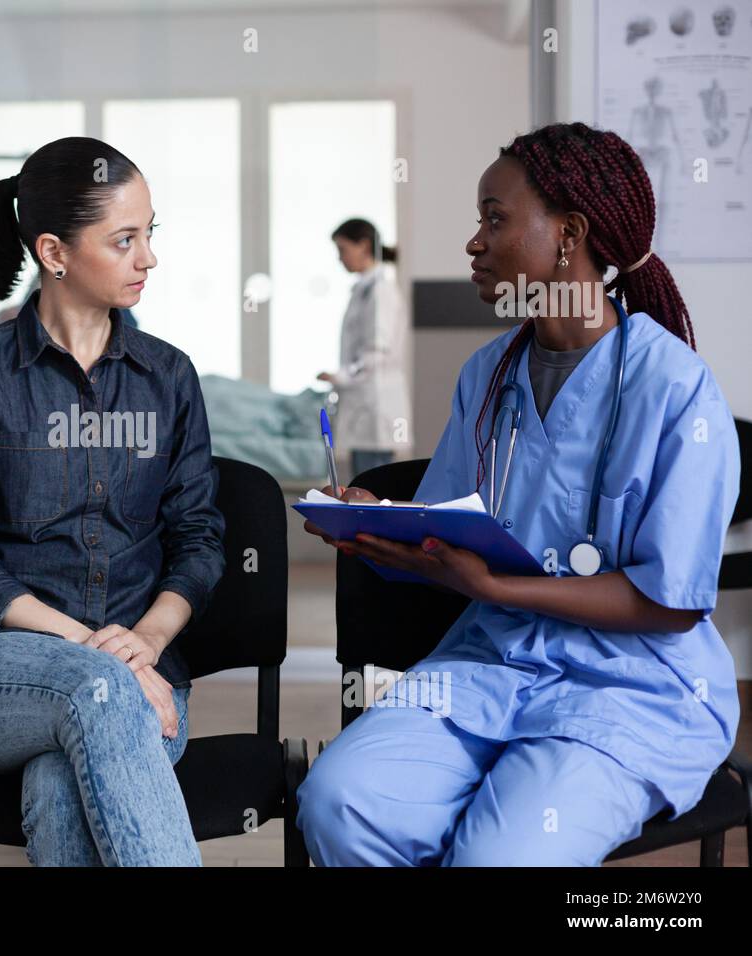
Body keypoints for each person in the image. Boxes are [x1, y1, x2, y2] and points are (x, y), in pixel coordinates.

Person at [296, 122, 740, 866]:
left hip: (626, 687)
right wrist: (376, 524)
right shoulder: (489, 374)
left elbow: (672, 600)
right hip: (488, 664)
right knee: (339, 803)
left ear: (569, 234)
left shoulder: (676, 390)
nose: (474, 242)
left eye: (493, 219)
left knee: (499, 857)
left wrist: (496, 584)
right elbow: (447, 533)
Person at [0, 136, 226, 866]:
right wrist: (99, 655)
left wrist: (145, 642)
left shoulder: (169, 378)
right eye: (124, 240)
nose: (148, 258)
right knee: (102, 695)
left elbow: (201, 538)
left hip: (143, 671)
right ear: (53, 252)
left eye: (150, 235)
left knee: (60, 782)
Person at [317, 218, 411, 479]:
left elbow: (377, 351)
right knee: (365, 483)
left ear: (364, 246)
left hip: (375, 406)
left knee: (372, 488)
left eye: (342, 250)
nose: (340, 258)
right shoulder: (366, 289)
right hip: (365, 407)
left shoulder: (381, 291)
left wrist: (341, 375)